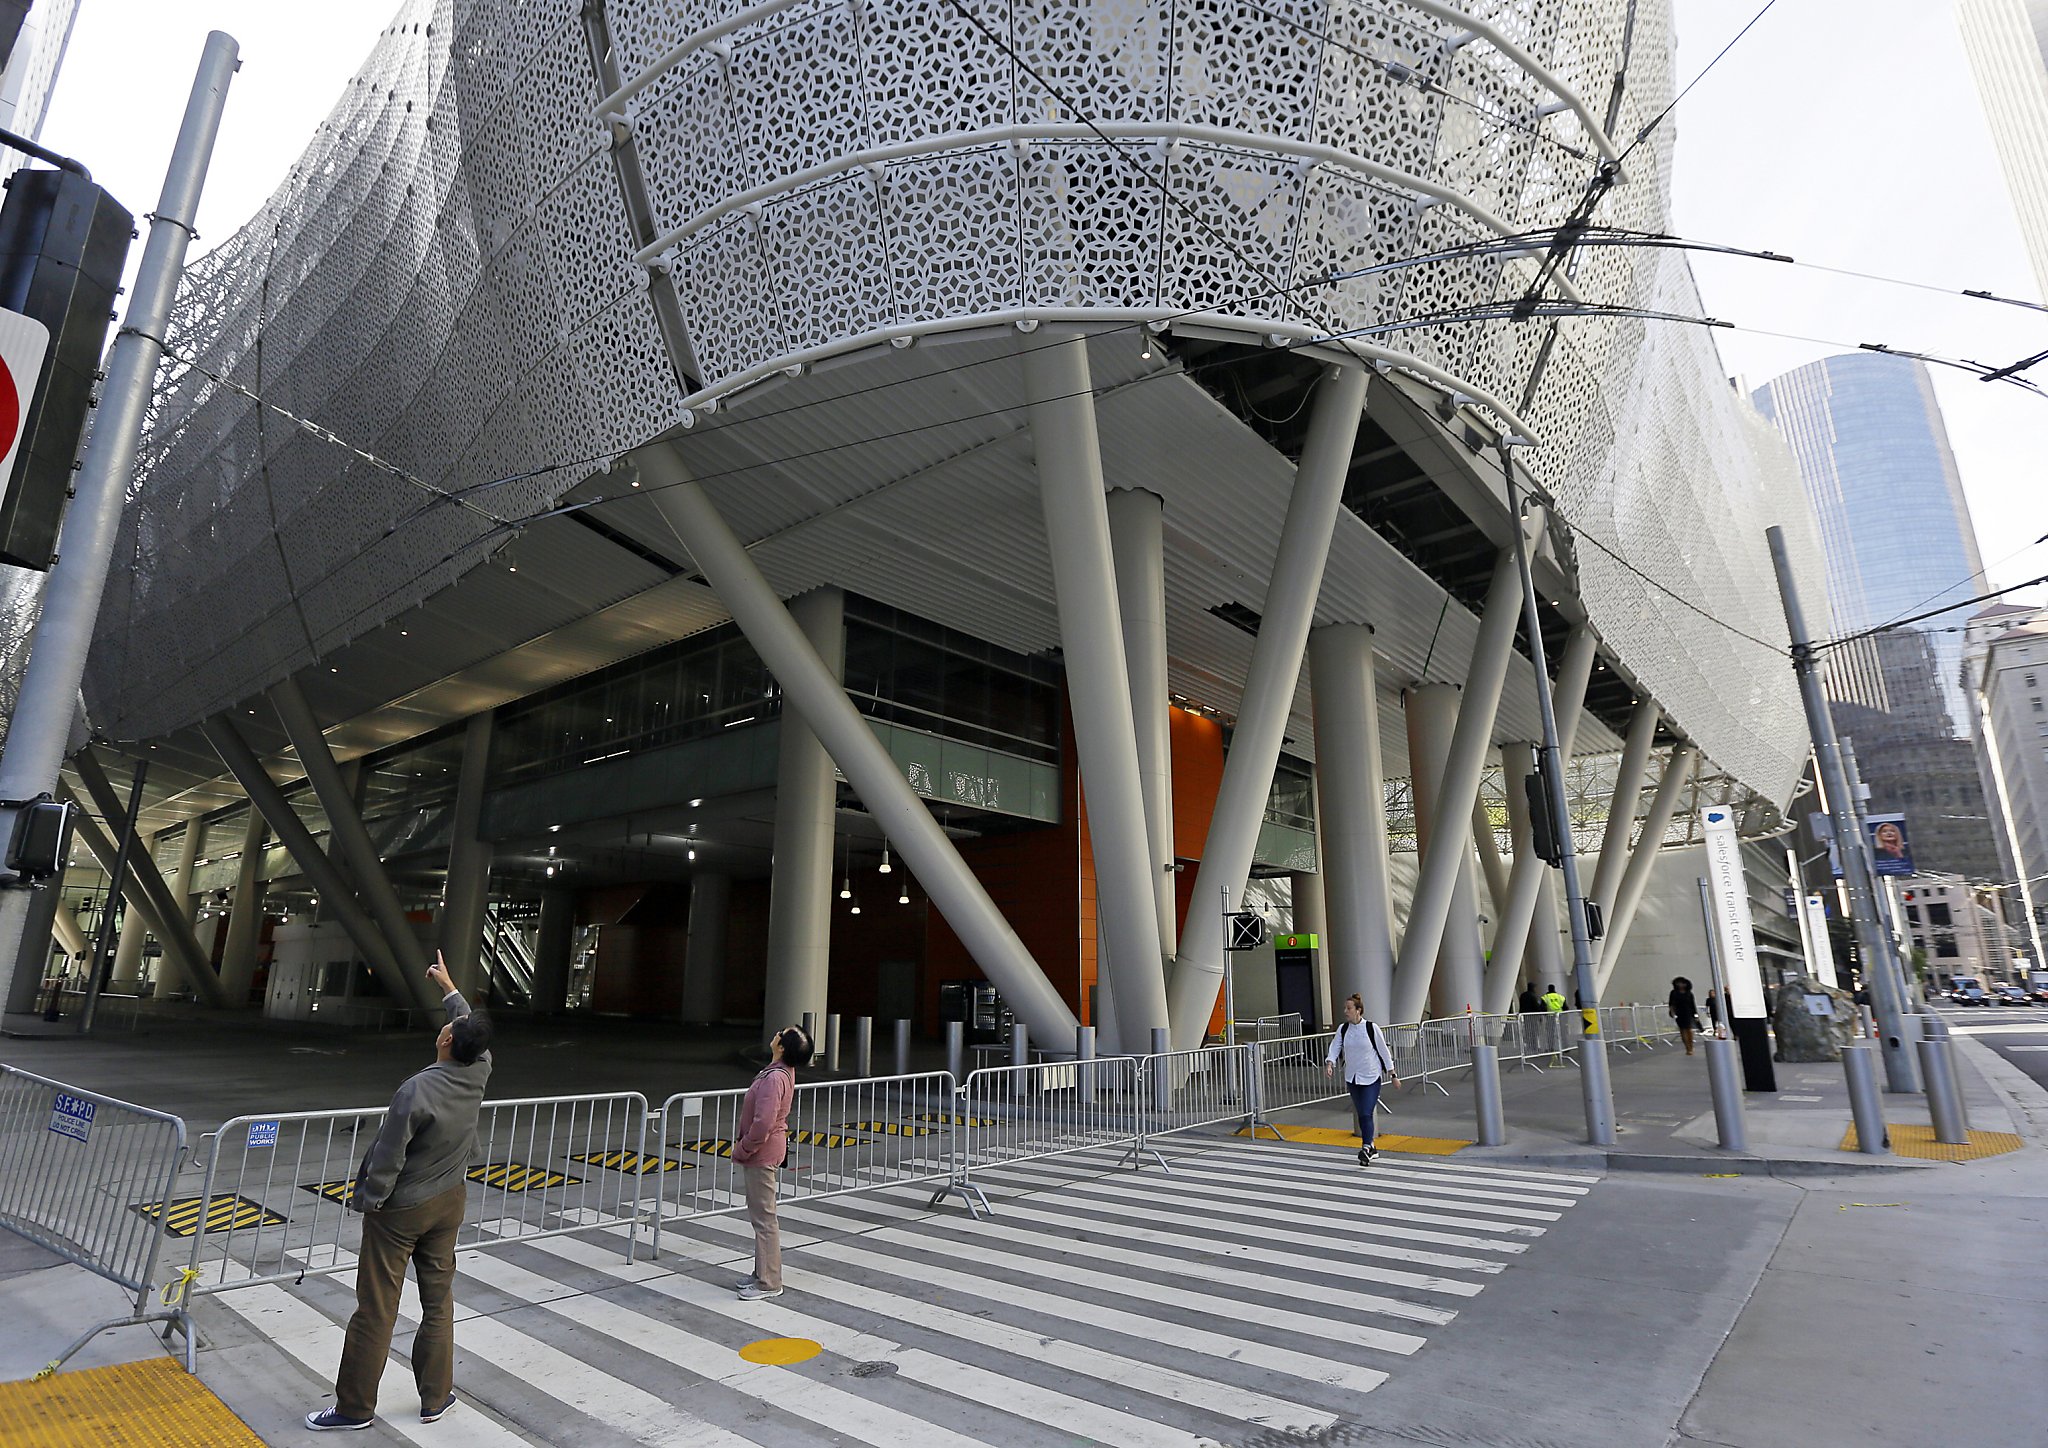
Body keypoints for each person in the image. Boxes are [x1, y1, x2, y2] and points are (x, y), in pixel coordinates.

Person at [308, 953, 492, 1433]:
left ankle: (353, 1408)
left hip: (402, 1210)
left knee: (376, 1308)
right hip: (449, 1201)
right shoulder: (478, 1070)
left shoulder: (416, 1090)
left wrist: (370, 1201)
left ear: (446, 1039)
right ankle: (436, 1397)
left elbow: (388, 1158)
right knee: (438, 1302)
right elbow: (469, 1025)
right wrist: (448, 987)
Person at [734, 1023, 812, 1301]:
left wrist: (743, 1148)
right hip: (767, 1150)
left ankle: (769, 1282)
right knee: (761, 1215)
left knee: (764, 1218)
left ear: (781, 1047)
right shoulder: (780, 1072)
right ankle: (761, 1273)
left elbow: (763, 1122)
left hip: (761, 1152)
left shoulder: (774, 1077)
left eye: (782, 1033)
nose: (776, 1033)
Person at [1323, 993, 1401, 1165]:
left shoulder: (1371, 1028)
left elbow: (1383, 1052)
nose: (1346, 1011)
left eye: (1349, 1008)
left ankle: (1366, 1147)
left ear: (1359, 1011)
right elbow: (1335, 1047)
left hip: (1371, 1076)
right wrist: (1330, 1063)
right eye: (1345, 1008)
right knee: (1361, 1113)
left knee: (1366, 1112)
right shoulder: (1343, 1029)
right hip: (1352, 1077)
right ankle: (1371, 1147)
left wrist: (1393, 1074)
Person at [1668, 976, 1701, 1056]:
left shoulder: (1689, 993)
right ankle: (1687, 1047)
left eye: (1682, 983)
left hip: (1688, 1013)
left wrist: (1695, 1015)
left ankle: (1691, 1047)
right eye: (1678, 983)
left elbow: (1693, 1004)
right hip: (1679, 1013)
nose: (1680, 984)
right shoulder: (1673, 993)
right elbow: (1671, 1003)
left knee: (1689, 1029)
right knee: (1682, 1030)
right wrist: (1672, 1012)